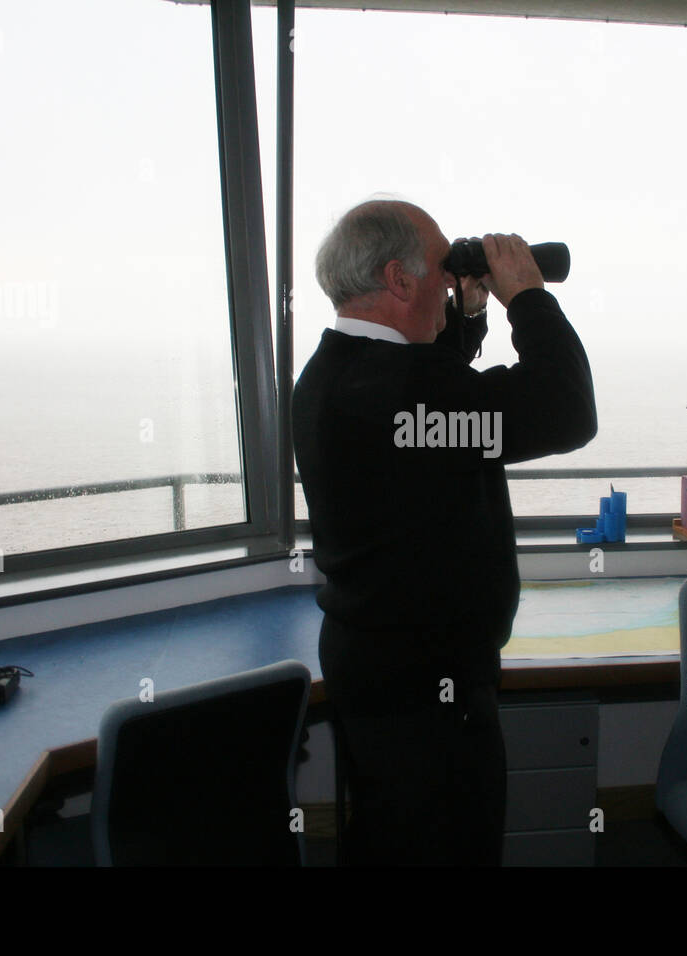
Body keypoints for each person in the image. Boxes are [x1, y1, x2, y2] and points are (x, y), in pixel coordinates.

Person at [292, 198, 597, 865]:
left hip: (373, 663)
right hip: (431, 689)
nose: (445, 277)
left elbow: (433, 399)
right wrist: (528, 301)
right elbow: (566, 410)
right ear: (400, 281)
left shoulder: (331, 371)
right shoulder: (407, 391)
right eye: (438, 266)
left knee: (393, 840)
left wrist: (469, 310)